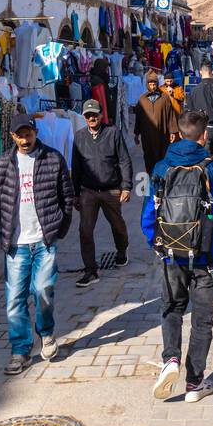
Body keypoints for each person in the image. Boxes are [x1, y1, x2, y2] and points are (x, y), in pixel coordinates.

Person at [144, 110, 213, 403]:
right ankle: (194, 383)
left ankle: (170, 359)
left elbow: (149, 214)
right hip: (206, 255)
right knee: (202, 320)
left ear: (177, 135)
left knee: (172, 308)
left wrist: (156, 243)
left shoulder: (162, 167)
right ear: (202, 136)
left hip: (171, 255)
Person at [0, 113, 75, 375]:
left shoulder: (53, 159)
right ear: (12, 136)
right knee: (14, 299)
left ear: (35, 132)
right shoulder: (3, 164)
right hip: (16, 244)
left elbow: (67, 197)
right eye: (19, 135)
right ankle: (20, 350)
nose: (25, 139)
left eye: (28, 134)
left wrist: (58, 229)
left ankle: (45, 332)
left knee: (44, 290)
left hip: (44, 241)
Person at [71, 99, 134, 287]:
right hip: (88, 191)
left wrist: (126, 186)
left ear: (101, 115)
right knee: (85, 230)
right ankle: (91, 271)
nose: (92, 118)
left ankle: (122, 250)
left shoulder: (112, 133)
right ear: (84, 117)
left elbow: (124, 160)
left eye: (95, 114)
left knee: (117, 225)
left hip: (111, 189)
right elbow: (76, 166)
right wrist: (75, 194)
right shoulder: (79, 136)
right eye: (88, 115)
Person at [133, 71, 179, 174]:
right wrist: (136, 134)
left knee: (162, 156)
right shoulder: (142, 100)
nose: (153, 87)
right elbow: (138, 118)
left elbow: (170, 114)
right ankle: (151, 176)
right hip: (147, 135)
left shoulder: (165, 98)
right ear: (147, 85)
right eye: (150, 84)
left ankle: (162, 176)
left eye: (154, 84)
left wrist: (172, 131)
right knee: (149, 157)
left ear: (157, 84)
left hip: (162, 135)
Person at [185, 61, 213, 158]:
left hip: (202, 129)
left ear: (201, 72)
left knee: (203, 159)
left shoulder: (194, 91)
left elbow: (189, 113)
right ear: (212, 72)